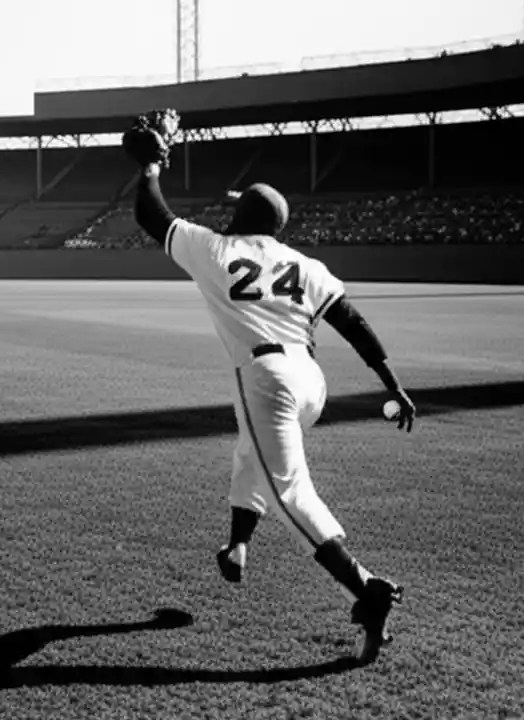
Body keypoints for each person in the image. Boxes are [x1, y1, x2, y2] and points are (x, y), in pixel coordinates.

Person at [129, 136, 416, 664]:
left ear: (241, 215)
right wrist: (390, 383)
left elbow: (152, 213)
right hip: (311, 381)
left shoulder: (217, 248)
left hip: (267, 377)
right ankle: (238, 545)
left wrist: (150, 164)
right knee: (252, 451)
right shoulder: (304, 263)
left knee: (291, 492)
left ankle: (365, 588)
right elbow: (352, 322)